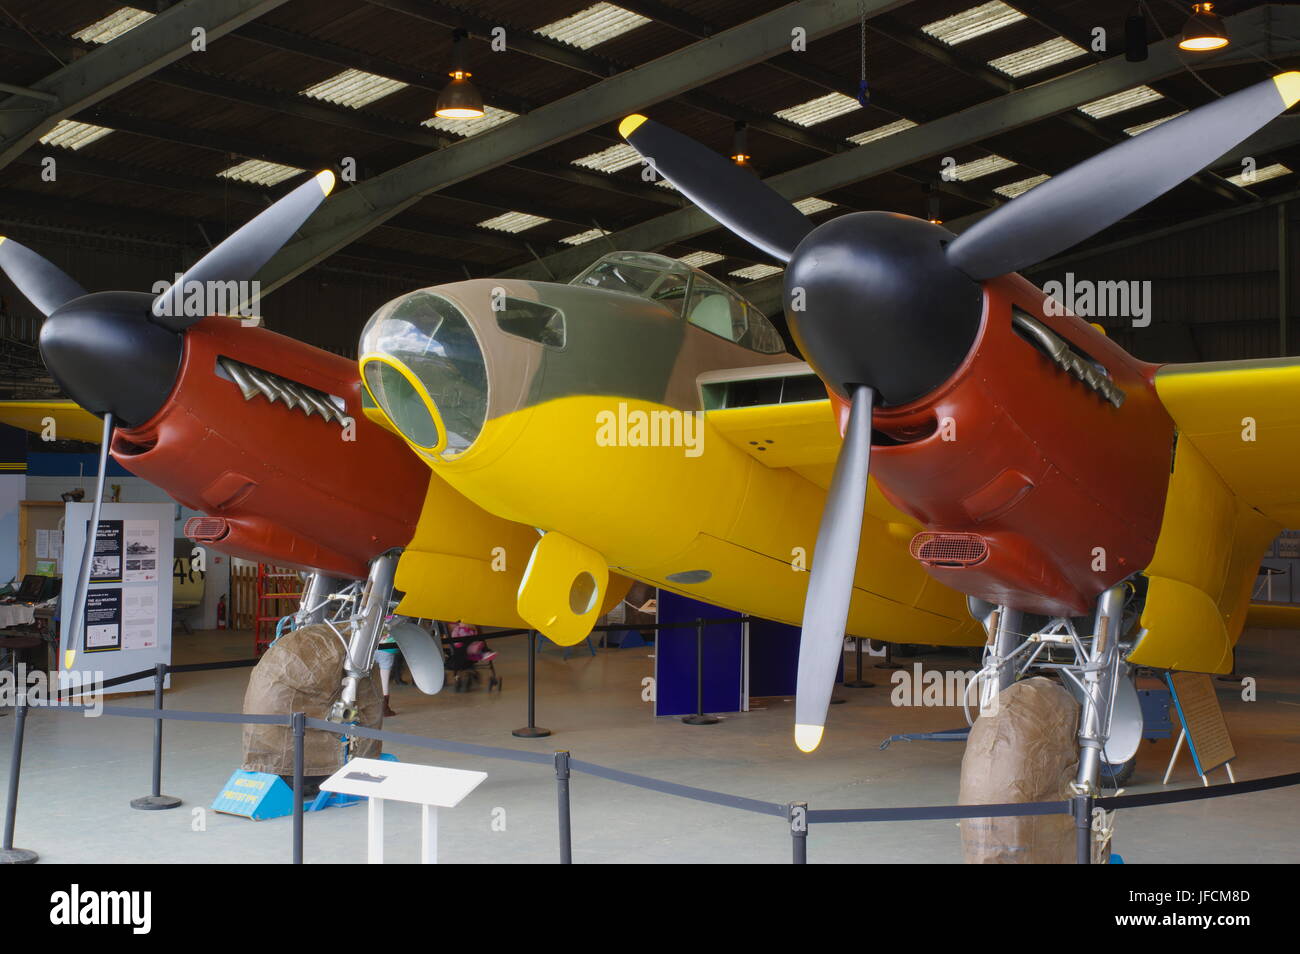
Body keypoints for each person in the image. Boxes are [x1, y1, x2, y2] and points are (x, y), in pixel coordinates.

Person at [376, 618, 400, 717]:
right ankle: (384, 709)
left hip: (374, 647)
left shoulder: (379, 615)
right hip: (388, 649)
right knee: (384, 681)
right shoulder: (398, 619)